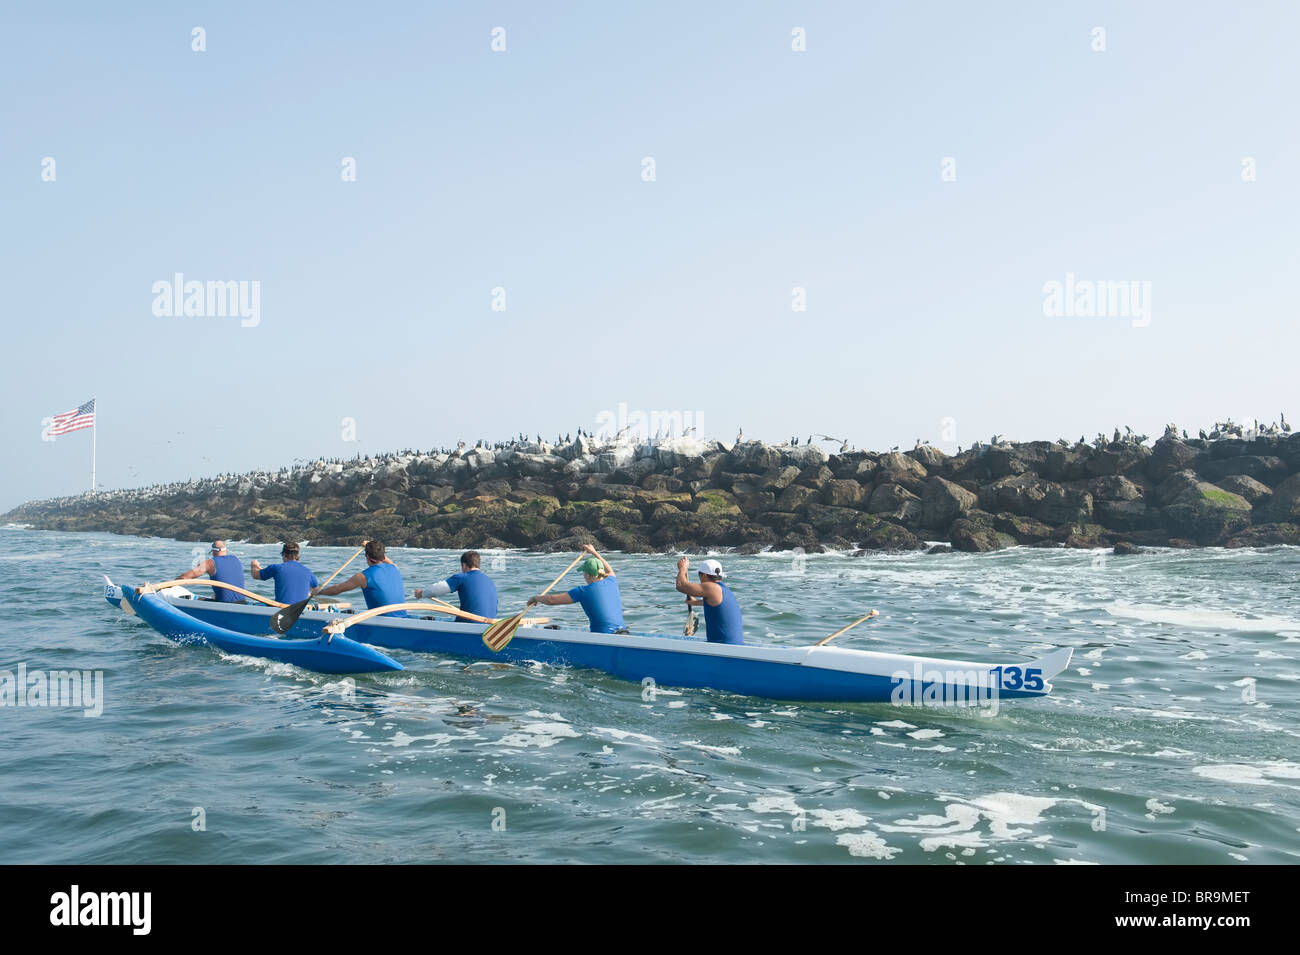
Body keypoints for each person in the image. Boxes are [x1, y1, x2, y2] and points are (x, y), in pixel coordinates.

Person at [528, 544, 626, 634]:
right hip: (622, 633)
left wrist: (535, 598)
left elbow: (551, 600)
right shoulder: (612, 581)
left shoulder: (584, 591)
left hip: (603, 636)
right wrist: (594, 552)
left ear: (587, 575)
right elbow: (610, 570)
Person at [313, 540, 408, 617]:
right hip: (402, 617)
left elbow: (337, 590)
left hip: (384, 621)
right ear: (383, 555)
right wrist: (369, 545)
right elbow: (384, 559)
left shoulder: (363, 577)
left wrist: (319, 592)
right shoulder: (394, 568)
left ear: (367, 556)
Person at [675, 557, 744, 644]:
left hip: (722, 648)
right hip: (734, 646)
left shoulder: (711, 587)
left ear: (704, 575)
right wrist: (695, 603)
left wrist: (683, 568)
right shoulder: (724, 590)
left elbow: (680, 585)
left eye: (699, 575)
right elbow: (716, 604)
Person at [415, 550, 498, 619]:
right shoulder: (490, 581)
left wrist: (421, 593)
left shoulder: (462, 577)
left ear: (464, 565)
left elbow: (436, 590)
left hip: (469, 624)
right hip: (489, 626)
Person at [178, 540, 247, 603]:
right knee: (215, 595)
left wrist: (170, 585)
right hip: (242, 602)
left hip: (225, 604)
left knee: (199, 599)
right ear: (226, 550)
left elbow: (185, 577)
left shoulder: (209, 563)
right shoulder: (236, 559)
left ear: (213, 552)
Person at [251, 542, 319, 605]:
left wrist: (254, 564)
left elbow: (255, 575)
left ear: (284, 554)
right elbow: (315, 590)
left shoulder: (276, 568)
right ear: (297, 555)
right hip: (299, 610)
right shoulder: (308, 572)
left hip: (282, 610)